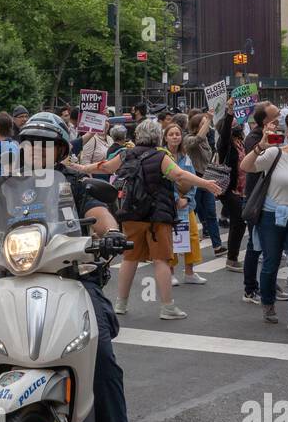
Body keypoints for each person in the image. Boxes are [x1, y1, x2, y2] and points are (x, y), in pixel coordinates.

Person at [0, 112, 148, 422]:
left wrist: (110, 235)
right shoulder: (7, 183)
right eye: (29, 143)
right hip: (11, 276)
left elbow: (99, 214)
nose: (36, 150)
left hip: (72, 277)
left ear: (60, 150)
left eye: (45, 144)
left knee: (103, 356)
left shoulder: (76, 183)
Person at [92, 119, 221, 320]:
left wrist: (79, 168)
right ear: (158, 136)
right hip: (157, 215)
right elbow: (179, 175)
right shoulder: (161, 156)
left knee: (129, 259)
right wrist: (205, 183)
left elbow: (106, 168)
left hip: (131, 213)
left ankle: (121, 303)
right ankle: (167, 307)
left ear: (137, 136)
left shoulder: (126, 154)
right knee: (161, 259)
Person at [240, 114, 288, 334]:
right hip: (271, 217)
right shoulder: (274, 154)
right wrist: (260, 147)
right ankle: (268, 303)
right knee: (270, 264)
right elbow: (246, 167)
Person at [238, 101, 282, 301]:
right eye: (275, 116)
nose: (279, 117)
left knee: (270, 246)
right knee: (255, 246)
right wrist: (265, 144)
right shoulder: (254, 138)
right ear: (265, 121)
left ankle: (269, 284)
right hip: (257, 197)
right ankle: (250, 288)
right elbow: (253, 163)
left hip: (272, 196)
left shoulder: (275, 136)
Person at [165, 122, 206, 285]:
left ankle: (190, 272)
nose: (175, 136)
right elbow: (162, 182)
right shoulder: (162, 156)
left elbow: (192, 178)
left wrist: (187, 198)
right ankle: (170, 272)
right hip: (169, 206)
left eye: (177, 134)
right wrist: (176, 199)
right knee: (170, 238)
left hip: (187, 204)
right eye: (171, 134)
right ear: (165, 137)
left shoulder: (186, 157)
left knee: (192, 237)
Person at [182, 111, 225, 257]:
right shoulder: (188, 139)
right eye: (203, 124)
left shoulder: (206, 140)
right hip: (194, 181)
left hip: (206, 181)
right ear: (196, 126)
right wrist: (209, 119)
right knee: (190, 214)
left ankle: (217, 246)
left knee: (211, 214)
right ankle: (182, 244)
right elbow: (198, 138)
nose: (207, 128)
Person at [215, 110, 249, 274]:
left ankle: (233, 257)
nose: (238, 125)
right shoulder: (225, 146)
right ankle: (232, 258)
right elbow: (225, 132)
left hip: (242, 190)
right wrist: (229, 114)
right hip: (229, 190)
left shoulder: (241, 143)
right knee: (238, 223)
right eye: (234, 123)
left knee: (240, 223)